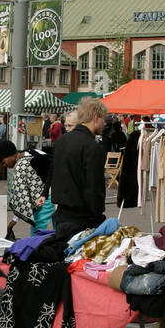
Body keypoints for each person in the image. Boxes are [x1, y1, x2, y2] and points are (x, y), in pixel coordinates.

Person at [51, 99, 108, 231]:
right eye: (103, 119)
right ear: (95, 118)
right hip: (83, 218)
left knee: (63, 249)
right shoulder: (92, 147)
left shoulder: (61, 141)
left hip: (62, 212)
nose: (104, 123)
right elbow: (94, 186)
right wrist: (98, 215)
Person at [0, 139, 54, 234]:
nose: (4, 165)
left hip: (45, 198)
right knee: (61, 231)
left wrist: (14, 221)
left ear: (10, 155)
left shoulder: (21, 165)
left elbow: (21, 197)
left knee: (37, 231)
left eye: (3, 161)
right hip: (60, 192)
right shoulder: (32, 152)